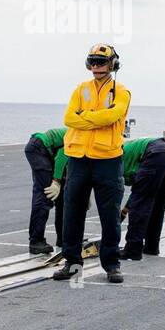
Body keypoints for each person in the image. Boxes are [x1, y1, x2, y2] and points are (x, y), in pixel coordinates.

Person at [51, 43, 131, 284]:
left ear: (113, 64)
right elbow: (68, 118)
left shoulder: (121, 92)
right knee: (72, 213)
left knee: (109, 215)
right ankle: (72, 262)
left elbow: (112, 116)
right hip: (78, 160)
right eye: (93, 62)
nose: (97, 66)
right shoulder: (80, 89)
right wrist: (96, 120)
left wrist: (83, 118)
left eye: (102, 62)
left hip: (107, 159)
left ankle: (112, 264)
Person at [118, 136, 165, 259]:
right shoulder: (124, 155)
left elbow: (137, 196)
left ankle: (132, 250)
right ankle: (151, 247)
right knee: (158, 202)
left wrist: (116, 221)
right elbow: (141, 189)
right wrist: (124, 211)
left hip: (156, 152)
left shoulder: (112, 162)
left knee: (141, 203)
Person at [23, 128, 68, 254]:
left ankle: (63, 239)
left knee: (62, 197)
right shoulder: (80, 137)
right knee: (46, 194)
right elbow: (62, 156)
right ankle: (36, 241)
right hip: (39, 148)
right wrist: (56, 181)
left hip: (46, 151)